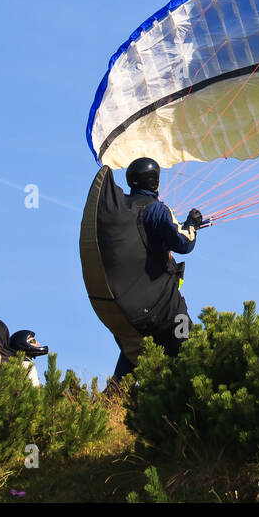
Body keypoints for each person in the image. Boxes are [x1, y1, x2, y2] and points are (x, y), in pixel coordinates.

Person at [78, 156, 205, 383]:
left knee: (135, 351)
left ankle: (114, 397)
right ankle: (191, 394)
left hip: (122, 312)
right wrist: (192, 224)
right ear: (155, 183)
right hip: (162, 312)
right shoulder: (156, 210)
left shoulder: (120, 209)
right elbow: (184, 243)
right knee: (188, 344)